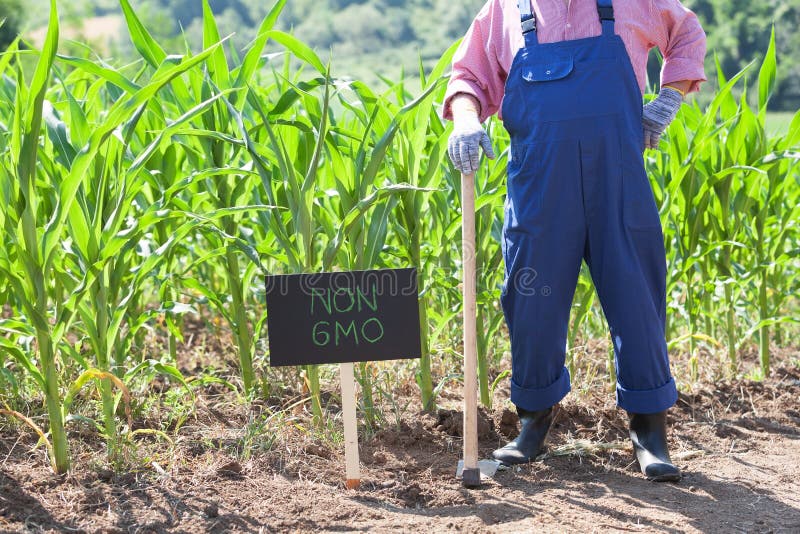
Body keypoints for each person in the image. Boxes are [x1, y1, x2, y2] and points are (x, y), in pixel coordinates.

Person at [444, 0, 706, 482]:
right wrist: (466, 119)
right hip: (541, 188)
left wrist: (667, 101)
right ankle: (531, 425)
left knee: (637, 301)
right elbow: (468, 77)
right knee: (531, 301)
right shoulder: (505, 9)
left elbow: (686, 32)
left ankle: (650, 434)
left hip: (618, 180)